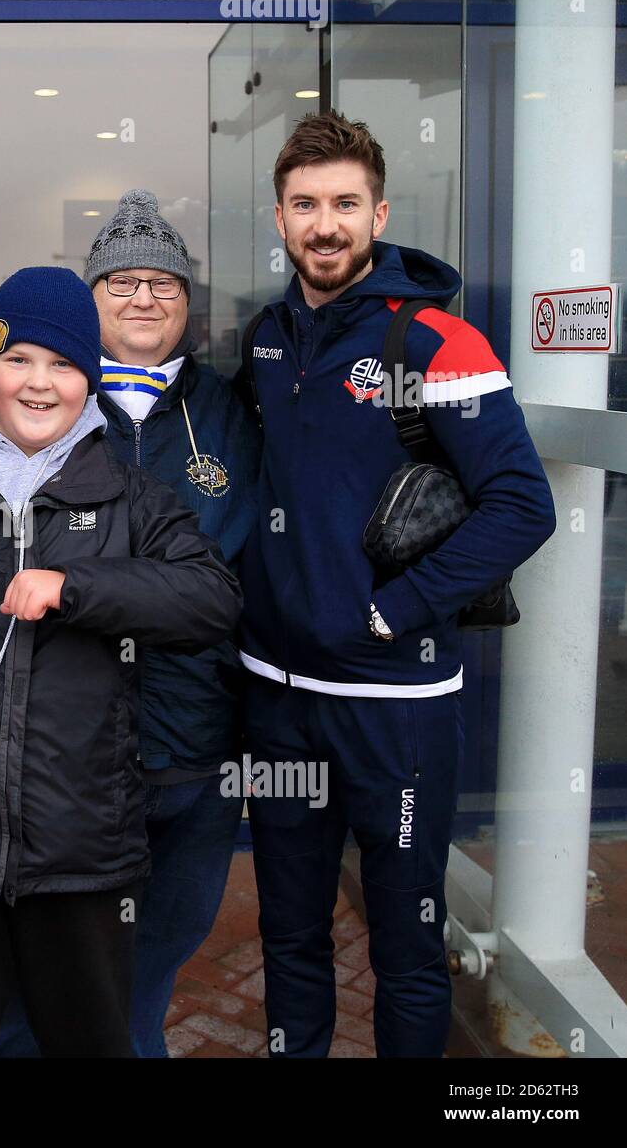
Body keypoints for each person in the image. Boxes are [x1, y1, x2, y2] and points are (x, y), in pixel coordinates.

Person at [0, 266, 243, 1057]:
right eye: (18, 359)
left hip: (82, 851)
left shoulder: (131, 497)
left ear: (89, 379)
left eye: (65, 364)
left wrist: (77, 587)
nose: (40, 383)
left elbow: (211, 598)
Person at [238, 112, 556, 1057]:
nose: (324, 224)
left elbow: (521, 506)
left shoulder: (438, 341)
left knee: (408, 948)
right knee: (289, 934)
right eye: (305, 205)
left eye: (344, 203)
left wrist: (391, 610)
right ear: (280, 217)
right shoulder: (265, 337)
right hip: (277, 695)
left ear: (379, 211)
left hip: (396, 700)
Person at [0, 190, 260, 1058]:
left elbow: (236, 576)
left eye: (164, 284)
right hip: (67, 753)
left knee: (150, 971)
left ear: (187, 302)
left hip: (194, 744)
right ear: (91, 297)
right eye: (121, 281)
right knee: (38, 986)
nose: (144, 298)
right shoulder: (50, 400)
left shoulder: (232, 410)